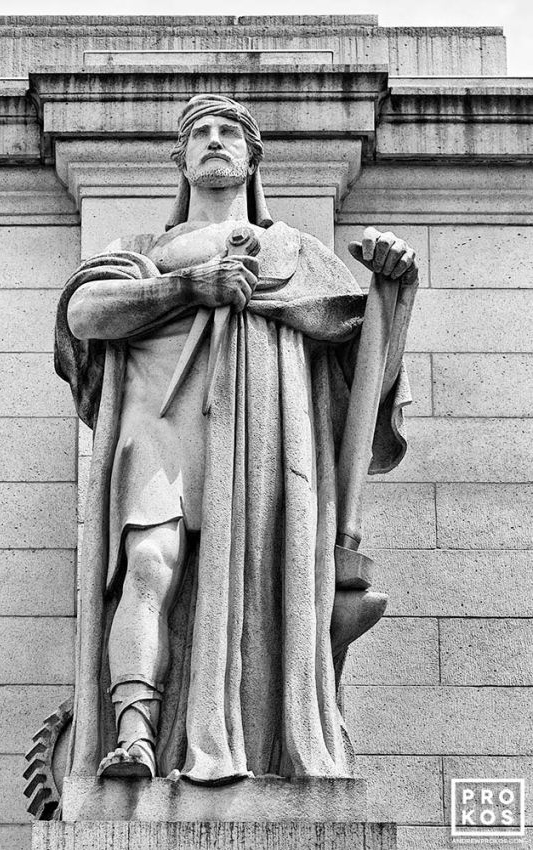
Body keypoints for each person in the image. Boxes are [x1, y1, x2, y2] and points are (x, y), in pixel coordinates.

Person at [55, 94, 418, 786]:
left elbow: (361, 364)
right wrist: (193, 286)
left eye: (230, 134)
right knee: (148, 564)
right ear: (181, 159)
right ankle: (133, 732)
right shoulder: (140, 251)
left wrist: (397, 288)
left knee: (262, 589)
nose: (215, 142)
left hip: (263, 452)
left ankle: (257, 735)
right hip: (157, 433)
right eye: (201, 133)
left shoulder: (297, 256)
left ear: (253, 160)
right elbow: (86, 313)